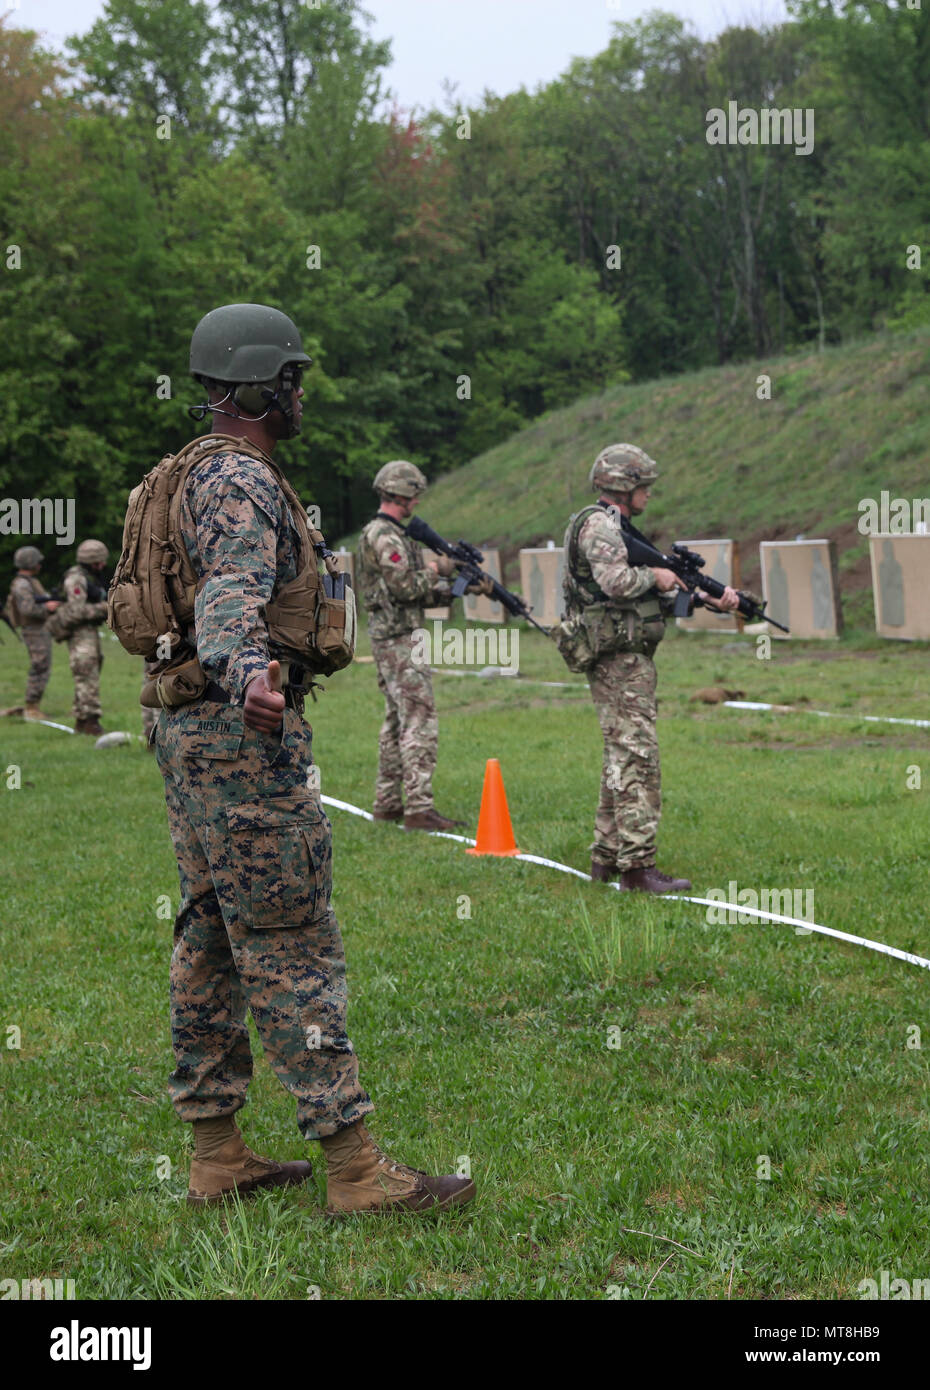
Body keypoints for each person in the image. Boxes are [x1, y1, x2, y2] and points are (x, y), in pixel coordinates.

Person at [144, 302, 474, 1213]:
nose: (301, 395)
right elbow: (230, 602)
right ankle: (357, 1169)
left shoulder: (186, 473)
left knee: (210, 929)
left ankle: (217, 1153)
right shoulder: (242, 483)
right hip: (239, 734)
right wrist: (253, 672)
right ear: (258, 386)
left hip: (188, 729)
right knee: (290, 937)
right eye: (291, 379)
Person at [563, 444, 739, 893]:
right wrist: (657, 577)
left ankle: (606, 858)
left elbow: (635, 595)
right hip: (618, 658)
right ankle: (639, 868)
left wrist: (703, 599)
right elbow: (616, 583)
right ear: (625, 486)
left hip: (625, 654)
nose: (649, 494)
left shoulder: (615, 527)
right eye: (644, 486)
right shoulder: (602, 528)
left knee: (619, 756)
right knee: (638, 758)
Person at [357, 460, 489, 831]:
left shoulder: (390, 534)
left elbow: (411, 595)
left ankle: (387, 802)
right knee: (419, 719)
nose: (417, 502)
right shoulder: (385, 535)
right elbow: (405, 588)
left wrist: (458, 590)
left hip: (394, 634)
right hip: (397, 638)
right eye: (414, 495)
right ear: (403, 494)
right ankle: (419, 807)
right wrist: (437, 568)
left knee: (397, 719)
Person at [59, 540, 109, 735]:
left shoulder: (88, 577)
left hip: (89, 631)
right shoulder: (76, 579)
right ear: (91, 561)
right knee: (86, 671)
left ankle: (82, 720)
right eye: (99, 562)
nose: (103, 565)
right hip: (80, 633)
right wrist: (106, 608)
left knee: (90, 669)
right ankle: (91, 721)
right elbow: (76, 611)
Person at [4, 546, 60, 719]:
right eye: (38, 562)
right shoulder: (22, 584)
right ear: (31, 563)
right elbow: (27, 609)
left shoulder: (30, 581)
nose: (40, 565)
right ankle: (31, 707)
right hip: (33, 630)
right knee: (40, 666)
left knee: (42, 666)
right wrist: (47, 608)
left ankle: (33, 705)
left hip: (39, 629)